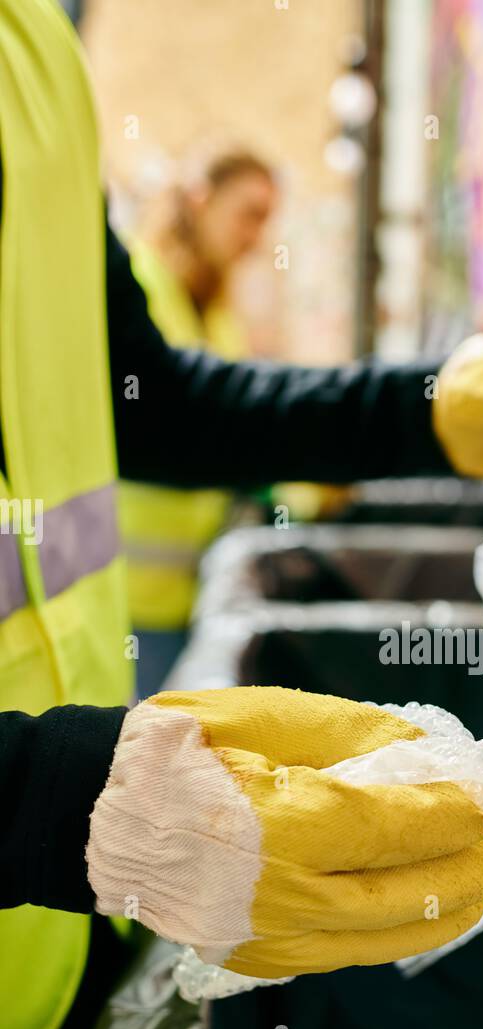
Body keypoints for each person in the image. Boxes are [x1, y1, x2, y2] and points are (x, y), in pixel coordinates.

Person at [0, 0, 483, 1029]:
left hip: (48, 955)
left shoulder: (39, 50)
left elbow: (149, 395)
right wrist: (52, 800)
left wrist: (420, 409)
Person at [119, 149, 278, 695]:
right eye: (249, 213)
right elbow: (189, 424)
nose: (257, 236)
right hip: (127, 601)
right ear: (200, 200)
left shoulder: (213, 306)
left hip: (185, 595)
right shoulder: (141, 293)